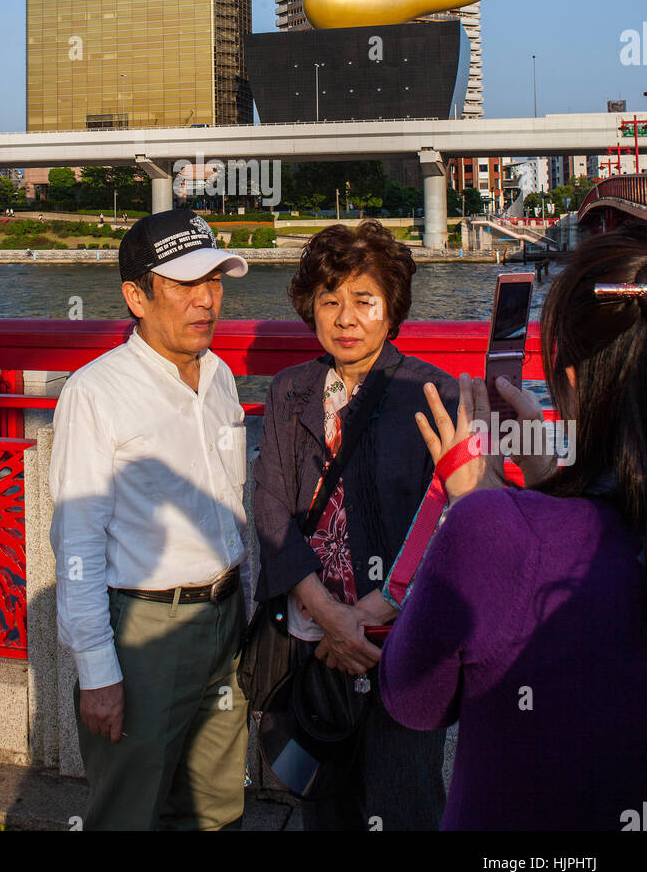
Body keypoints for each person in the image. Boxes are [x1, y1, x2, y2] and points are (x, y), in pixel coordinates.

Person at [379, 227, 647, 831]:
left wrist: (473, 505)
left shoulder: (492, 530)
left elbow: (411, 698)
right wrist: (551, 472)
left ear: (569, 384)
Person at [253, 220, 462, 831]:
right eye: (330, 301)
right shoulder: (292, 390)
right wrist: (330, 617)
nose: (346, 317)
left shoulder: (430, 392)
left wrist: (373, 611)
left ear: (392, 308)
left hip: (399, 640)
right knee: (325, 802)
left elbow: (450, 517)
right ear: (310, 308)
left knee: (407, 800)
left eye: (363, 301)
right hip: (313, 637)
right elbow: (271, 510)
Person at [49, 208, 251, 830]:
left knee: (215, 807)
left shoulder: (218, 376)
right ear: (136, 296)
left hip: (225, 619)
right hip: (144, 632)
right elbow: (75, 542)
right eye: (184, 285)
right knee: (129, 812)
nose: (206, 301)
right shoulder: (96, 392)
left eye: (214, 282)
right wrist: (98, 673)